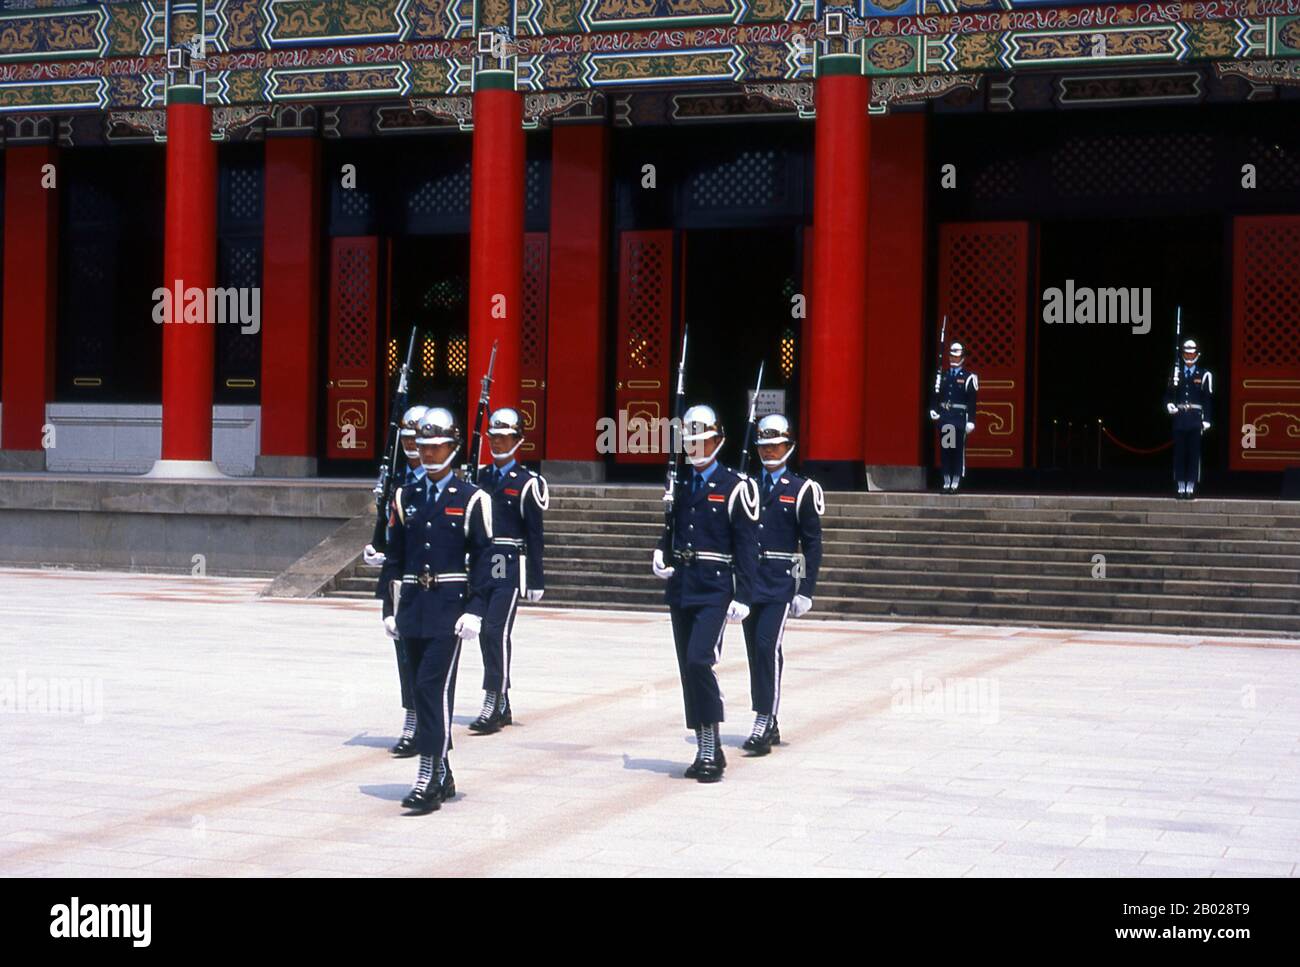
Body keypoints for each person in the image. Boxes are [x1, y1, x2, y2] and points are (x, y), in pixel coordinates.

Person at [379, 408, 493, 814]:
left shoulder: (471, 498)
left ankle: (427, 773)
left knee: (432, 688)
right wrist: (387, 608)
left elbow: (485, 559)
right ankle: (443, 773)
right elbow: (394, 555)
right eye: (423, 447)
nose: (428, 454)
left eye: (437, 447)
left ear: (454, 447)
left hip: (449, 609)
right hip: (412, 606)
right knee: (417, 688)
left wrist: (477, 608)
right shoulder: (405, 496)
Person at [653, 404, 759, 783]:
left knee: (700, 660)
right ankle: (703, 748)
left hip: (715, 586)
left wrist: (744, 595)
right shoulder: (680, 484)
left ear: (718, 440)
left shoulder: (735, 486)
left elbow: (747, 546)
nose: (696, 448)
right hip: (682, 584)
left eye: (703, 441)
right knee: (687, 668)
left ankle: (712, 743)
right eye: (691, 442)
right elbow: (673, 530)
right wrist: (660, 553)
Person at [740, 414, 823, 756]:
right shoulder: (746, 486)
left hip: (780, 582)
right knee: (755, 652)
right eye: (763, 446)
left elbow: (812, 543)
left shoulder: (801, 489)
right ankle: (770, 719)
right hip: (748, 582)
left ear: (789, 447)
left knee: (766, 646)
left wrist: (805, 589)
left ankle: (763, 717)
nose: (769, 451)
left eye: (775, 445)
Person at [469, 407, 548, 734]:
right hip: (481, 561)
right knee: (483, 633)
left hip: (508, 562)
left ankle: (493, 698)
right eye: (494, 438)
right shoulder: (480, 477)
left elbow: (535, 535)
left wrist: (537, 579)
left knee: (494, 631)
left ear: (518, 441)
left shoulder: (527, 482)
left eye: (505, 438)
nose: (498, 444)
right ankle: (502, 703)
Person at [363, 404, 427, 758]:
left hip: (431, 584)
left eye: (417, 438)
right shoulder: (396, 481)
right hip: (399, 581)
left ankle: (428, 724)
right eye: (406, 438)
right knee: (403, 652)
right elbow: (391, 536)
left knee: (428, 656)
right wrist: (377, 553)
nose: (411, 445)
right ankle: (411, 717)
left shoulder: (442, 484)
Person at [1163, 338, 1213, 499]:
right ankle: (1180, 485)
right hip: (1180, 418)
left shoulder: (1204, 374)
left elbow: (1207, 398)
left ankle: (1190, 486)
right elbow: (1169, 394)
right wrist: (1169, 404)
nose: (1189, 358)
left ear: (1197, 355)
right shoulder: (1175, 373)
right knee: (1180, 453)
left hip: (1195, 418)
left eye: (1192, 355)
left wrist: (1207, 419)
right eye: (1186, 354)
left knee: (1193, 453)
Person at [930, 342, 978, 493]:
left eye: (956, 357)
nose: (952, 359)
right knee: (946, 449)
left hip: (958, 419)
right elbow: (936, 395)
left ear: (962, 358)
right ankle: (946, 480)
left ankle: (956, 481)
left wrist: (971, 421)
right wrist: (933, 408)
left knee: (957, 450)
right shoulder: (943, 376)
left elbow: (971, 401)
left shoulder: (968, 377)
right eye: (951, 356)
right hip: (945, 418)